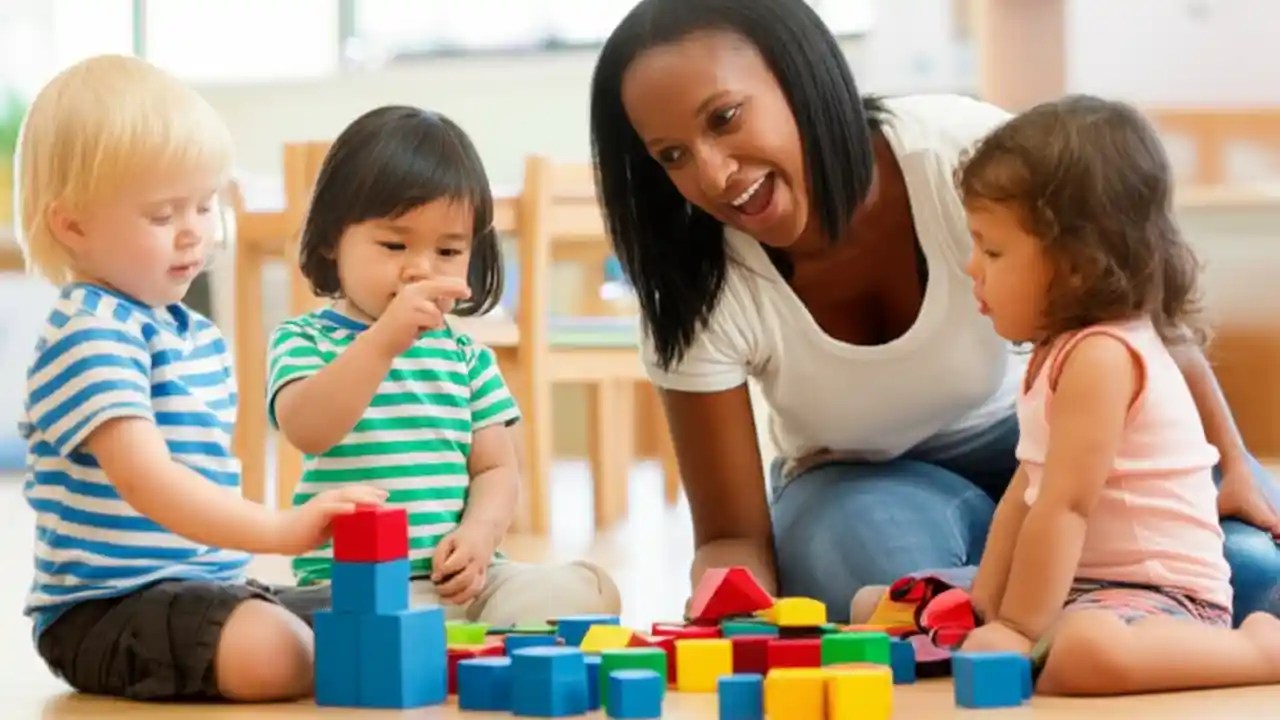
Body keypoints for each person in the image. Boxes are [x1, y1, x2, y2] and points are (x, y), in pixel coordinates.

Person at [588, 0, 1280, 623]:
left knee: (1258, 576)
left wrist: (1237, 460)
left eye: (725, 118)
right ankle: (1078, 607)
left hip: (1059, 440)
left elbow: (1131, 305)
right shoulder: (693, 281)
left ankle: (1019, 605)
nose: (712, 175)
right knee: (880, 573)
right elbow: (730, 535)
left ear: (799, 76)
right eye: (672, 155)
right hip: (860, 487)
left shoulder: (962, 152)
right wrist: (732, 603)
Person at [15, 54, 385, 702]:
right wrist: (278, 528)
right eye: (162, 216)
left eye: (205, 206)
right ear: (72, 223)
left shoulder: (193, 334)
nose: (194, 234)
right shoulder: (89, 330)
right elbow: (148, 480)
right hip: (104, 612)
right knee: (279, 652)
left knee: (369, 616)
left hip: (202, 588)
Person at [954, 94, 1280, 695]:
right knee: (890, 601)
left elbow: (1065, 506)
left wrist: (1020, 629)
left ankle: (1259, 651)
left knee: (1081, 654)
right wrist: (988, 607)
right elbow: (1024, 496)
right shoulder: (1057, 351)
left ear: (1076, 265)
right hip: (1087, 587)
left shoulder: (1103, 357)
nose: (971, 267)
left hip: (1164, 598)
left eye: (993, 251)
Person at [266, 105, 621, 623]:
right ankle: (417, 642)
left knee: (587, 591)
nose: (420, 269)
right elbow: (309, 429)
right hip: (352, 588)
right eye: (394, 244)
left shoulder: (466, 357)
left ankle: (454, 637)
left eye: (449, 251)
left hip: (460, 590)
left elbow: (496, 468)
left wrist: (480, 533)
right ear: (329, 238)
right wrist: (383, 341)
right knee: (275, 630)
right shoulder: (306, 341)